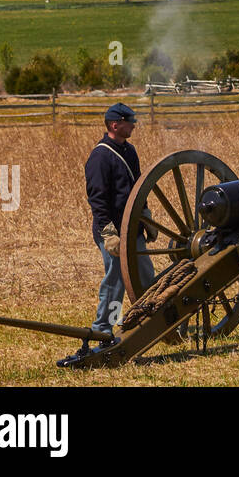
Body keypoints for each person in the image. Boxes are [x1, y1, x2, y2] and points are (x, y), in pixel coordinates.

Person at [72, 102, 154, 362]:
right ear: (114, 124)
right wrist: (108, 233)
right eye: (129, 121)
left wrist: (147, 216)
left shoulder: (130, 151)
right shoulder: (100, 156)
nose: (133, 124)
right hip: (113, 231)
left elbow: (138, 186)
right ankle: (102, 329)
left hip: (133, 228)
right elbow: (97, 198)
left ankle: (150, 323)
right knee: (116, 279)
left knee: (145, 275)